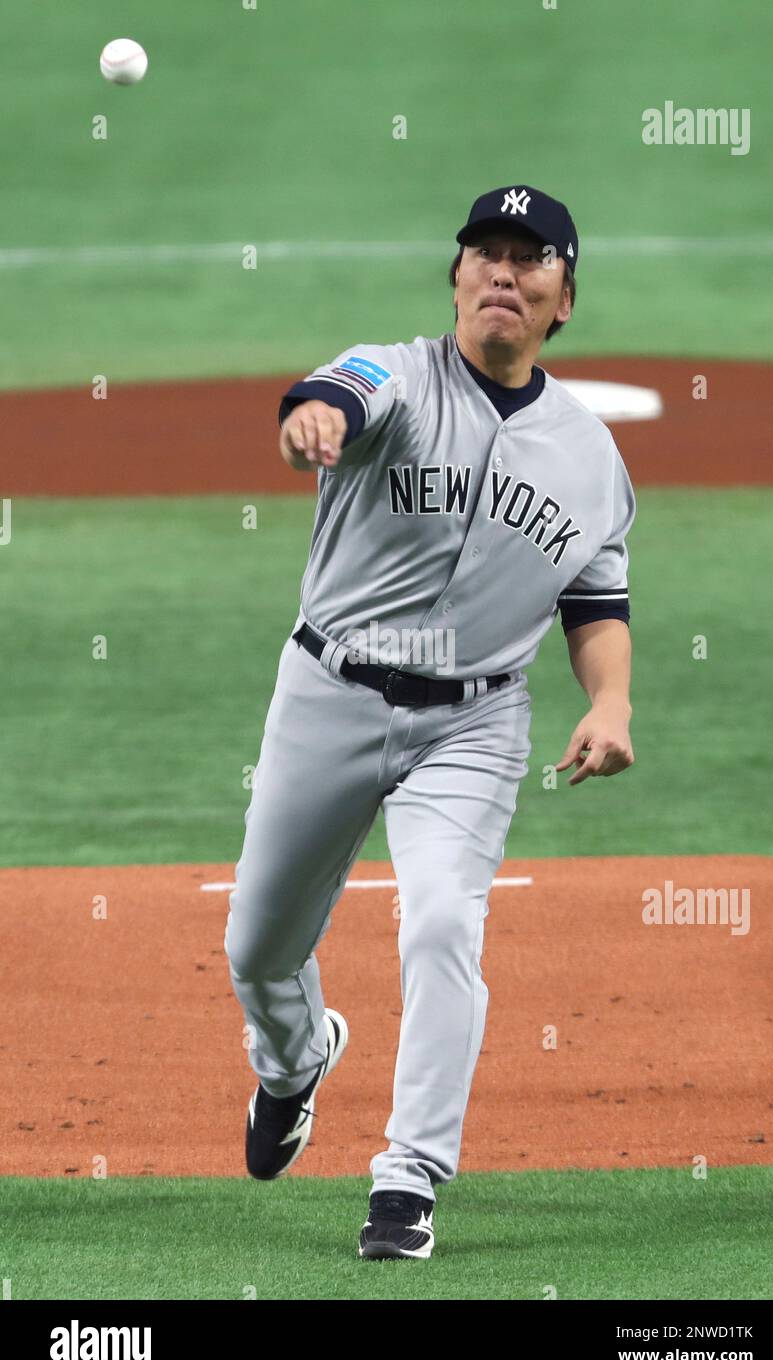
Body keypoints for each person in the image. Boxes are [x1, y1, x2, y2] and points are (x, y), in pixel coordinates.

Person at [224, 184, 636, 1261]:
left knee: (444, 922)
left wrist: (610, 699)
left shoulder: (590, 458)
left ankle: (407, 1181)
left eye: (528, 259)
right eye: (483, 254)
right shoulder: (396, 375)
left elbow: (595, 602)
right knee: (259, 945)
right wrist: (311, 417)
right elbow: (333, 394)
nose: (502, 271)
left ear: (562, 300)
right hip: (328, 692)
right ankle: (294, 1060)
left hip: (475, 724)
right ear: (454, 280)